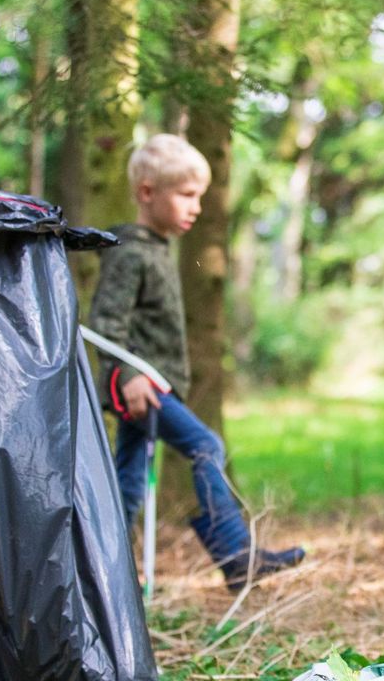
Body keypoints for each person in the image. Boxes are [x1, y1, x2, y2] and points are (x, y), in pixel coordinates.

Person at [89, 134, 305, 592]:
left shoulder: (155, 249)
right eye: (186, 195)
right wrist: (127, 374)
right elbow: (105, 322)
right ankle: (235, 554)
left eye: (200, 197)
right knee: (206, 444)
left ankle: (106, 576)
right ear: (148, 193)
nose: (196, 208)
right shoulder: (130, 252)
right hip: (139, 385)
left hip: (153, 385)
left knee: (127, 481)